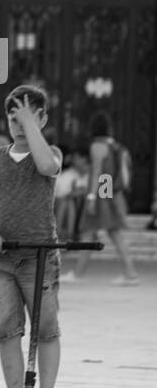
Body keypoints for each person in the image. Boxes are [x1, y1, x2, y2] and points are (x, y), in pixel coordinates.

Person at [0, 85, 67, 388]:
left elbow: (46, 166)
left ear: (43, 119)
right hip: (3, 259)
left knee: (46, 327)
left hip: (39, 257)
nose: (19, 125)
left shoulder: (50, 152)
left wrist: (32, 129)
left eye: (28, 119)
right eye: (14, 118)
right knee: (7, 331)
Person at [71, 112, 139, 286]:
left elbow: (97, 174)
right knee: (110, 232)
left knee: (89, 231)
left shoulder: (97, 146)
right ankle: (130, 273)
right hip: (110, 192)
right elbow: (108, 177)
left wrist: (92, 197)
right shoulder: (115, 145)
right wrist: (107, 197)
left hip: (100, 192)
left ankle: (79, 274)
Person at [53, 147, 88, 259]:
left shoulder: (96, 173)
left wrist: (84, 193)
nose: (73, 160)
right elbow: (58, 193)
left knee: (69, 201)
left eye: (76, 158)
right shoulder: (69, 173)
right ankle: (68, 236)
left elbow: (105, 194)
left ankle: (64, 236)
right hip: (68, 206)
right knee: (67, 201)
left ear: (84, 159)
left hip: (86, 208)